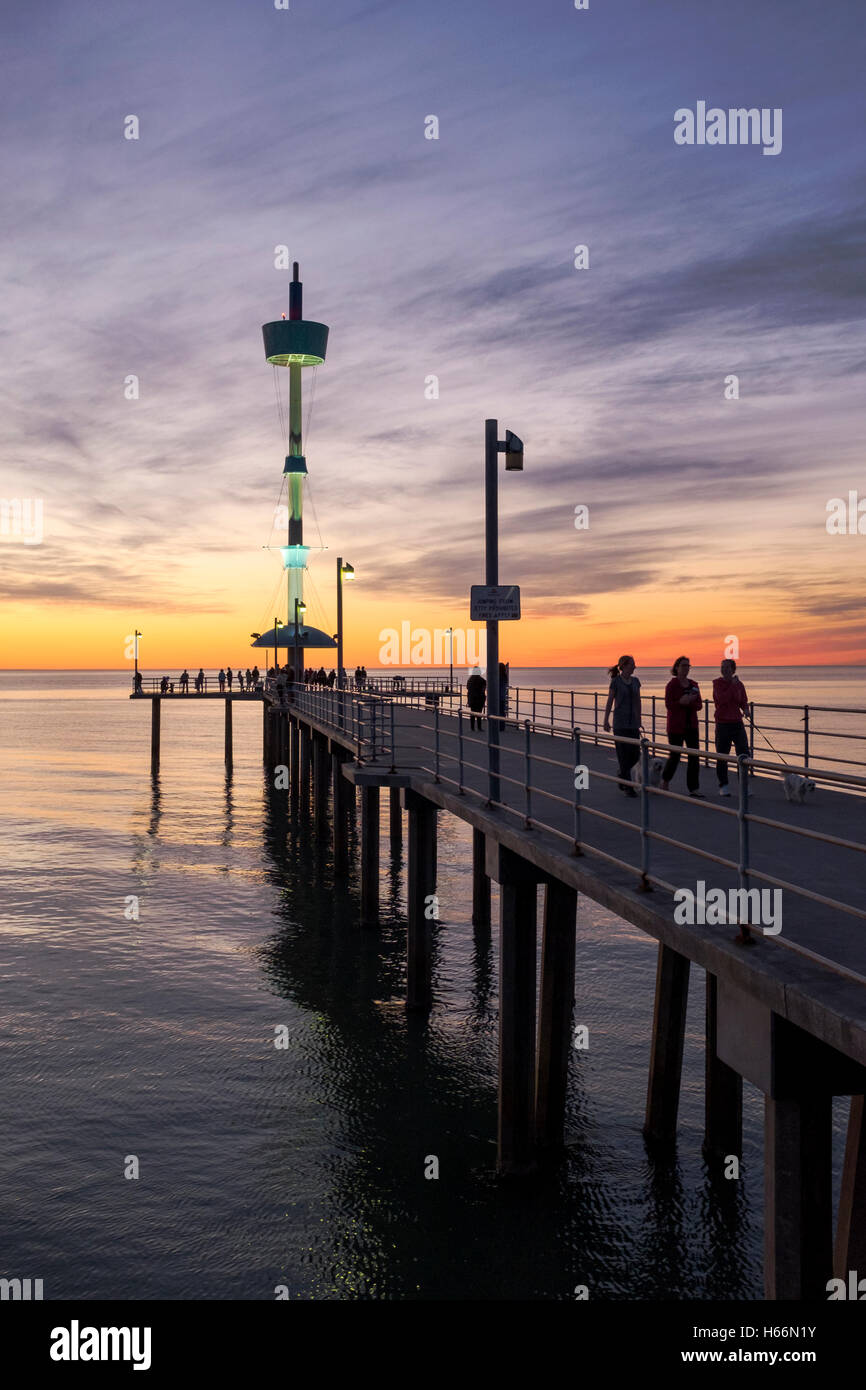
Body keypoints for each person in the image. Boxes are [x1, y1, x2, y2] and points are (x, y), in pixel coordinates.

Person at [661, 656, 703, 796]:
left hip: (691, 726)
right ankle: (665, 781)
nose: (686, 668)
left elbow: (699, 705)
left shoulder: (694, 684)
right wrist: (680, 702)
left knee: (694, 756)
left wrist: (689, 701)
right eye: (683, 665)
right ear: (677, 667)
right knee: (675, 755)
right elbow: (669, 705)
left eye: (688, 666)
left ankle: (693, 788)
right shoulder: (672, 685)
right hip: (676, 726)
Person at [602, 654, 642, 796]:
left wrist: (639, 719)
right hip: (620, 724)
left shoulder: (636, 681)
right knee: (623, 756)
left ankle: (623, 776)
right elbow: (610, 701)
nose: (634, 667)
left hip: (633, 724)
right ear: (624, 666)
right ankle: (628, 787)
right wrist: (605, 720)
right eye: (632, 664)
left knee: (635, 755)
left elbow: (638, 701)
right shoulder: (616, 682)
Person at [713, 658, 750, 797]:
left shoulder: (739, 684)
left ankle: (744, 785)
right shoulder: (717, 684)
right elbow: (722, 699)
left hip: (737, 723)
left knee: (744, 753)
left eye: (727, 667)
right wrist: (733, 686)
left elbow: (743, 700)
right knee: (722, 755)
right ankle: (723, 785)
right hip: (722, 723)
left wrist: (746, 709)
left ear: (733, 669)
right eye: (722, 667)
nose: (724, 669)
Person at [466, 665, 487, 731]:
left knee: (472, 713)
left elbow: (468, 688)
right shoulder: (482, 680)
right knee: (479, 713)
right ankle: (479, 727)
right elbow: (483, 690)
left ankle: (472, 727)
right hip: (479, 698)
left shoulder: (470, 680)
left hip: (472, 698)